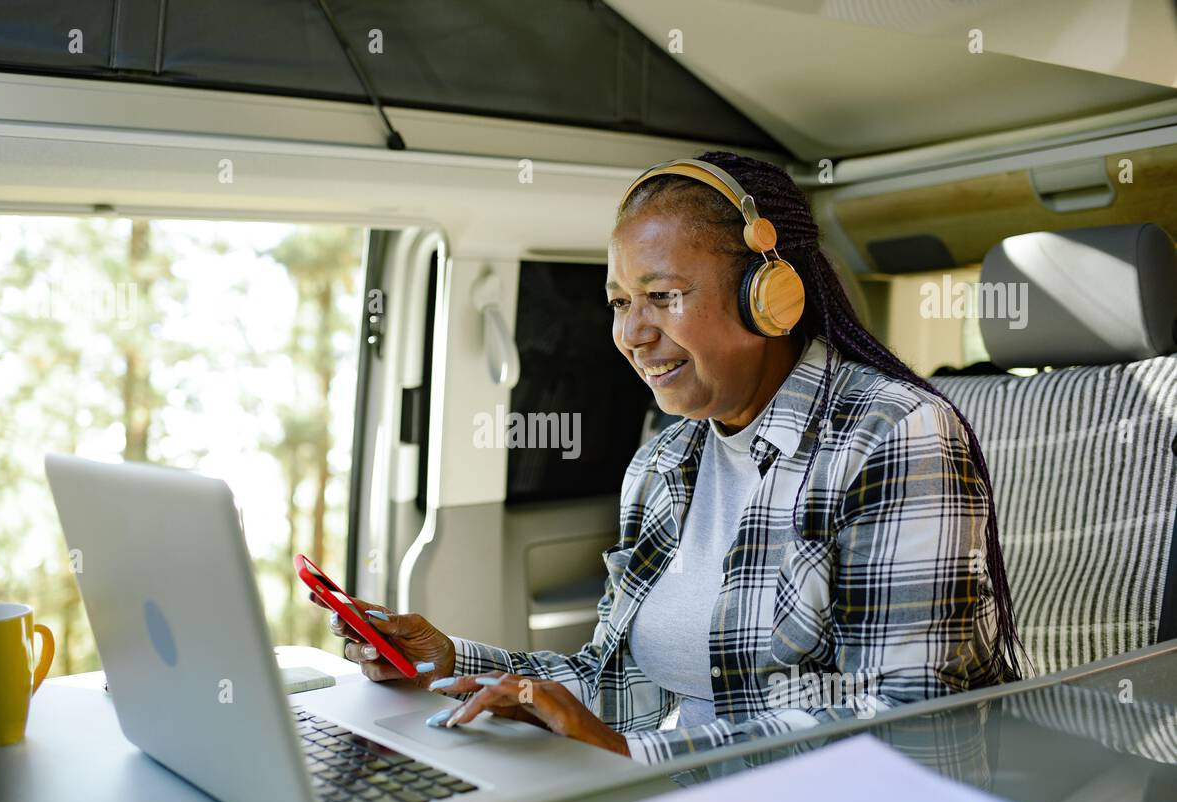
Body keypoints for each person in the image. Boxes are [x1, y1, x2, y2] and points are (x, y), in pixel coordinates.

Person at [320, 150, 1024, 765]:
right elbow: (621, 682)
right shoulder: (663, 464)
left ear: (768, 298)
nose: (630, 333)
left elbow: (904, 718)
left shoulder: (895, 435)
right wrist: (453, 662)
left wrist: (632, 753)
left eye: (662, 296)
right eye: (619, 301)